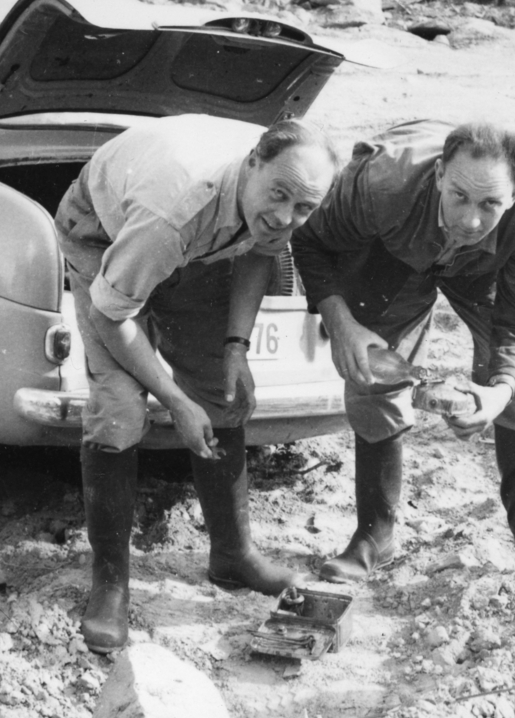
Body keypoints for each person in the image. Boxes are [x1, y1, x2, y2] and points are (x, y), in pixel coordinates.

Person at [54, 114, 339, 652]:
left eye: (304, 208)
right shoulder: (174, 211)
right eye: (279, 195)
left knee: (227, 390)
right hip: (105, 230)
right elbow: (111, 314)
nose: (286, 217)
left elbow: (261, 249)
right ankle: (110, 583)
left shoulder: (275, 196)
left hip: (197, 241)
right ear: (252, 164)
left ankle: (232, 554)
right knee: (120, 409)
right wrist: (175, 400)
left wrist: (235, 346)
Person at [290, 119, 515, 582]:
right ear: (440, 174)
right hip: (391, 250)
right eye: (459, 195)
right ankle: (374, 533)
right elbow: (310, 240)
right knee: (372, 369)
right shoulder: (382, 183)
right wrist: (341, 325)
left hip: (481, 269)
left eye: (490, 203)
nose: (470, 220)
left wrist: (499, 392)